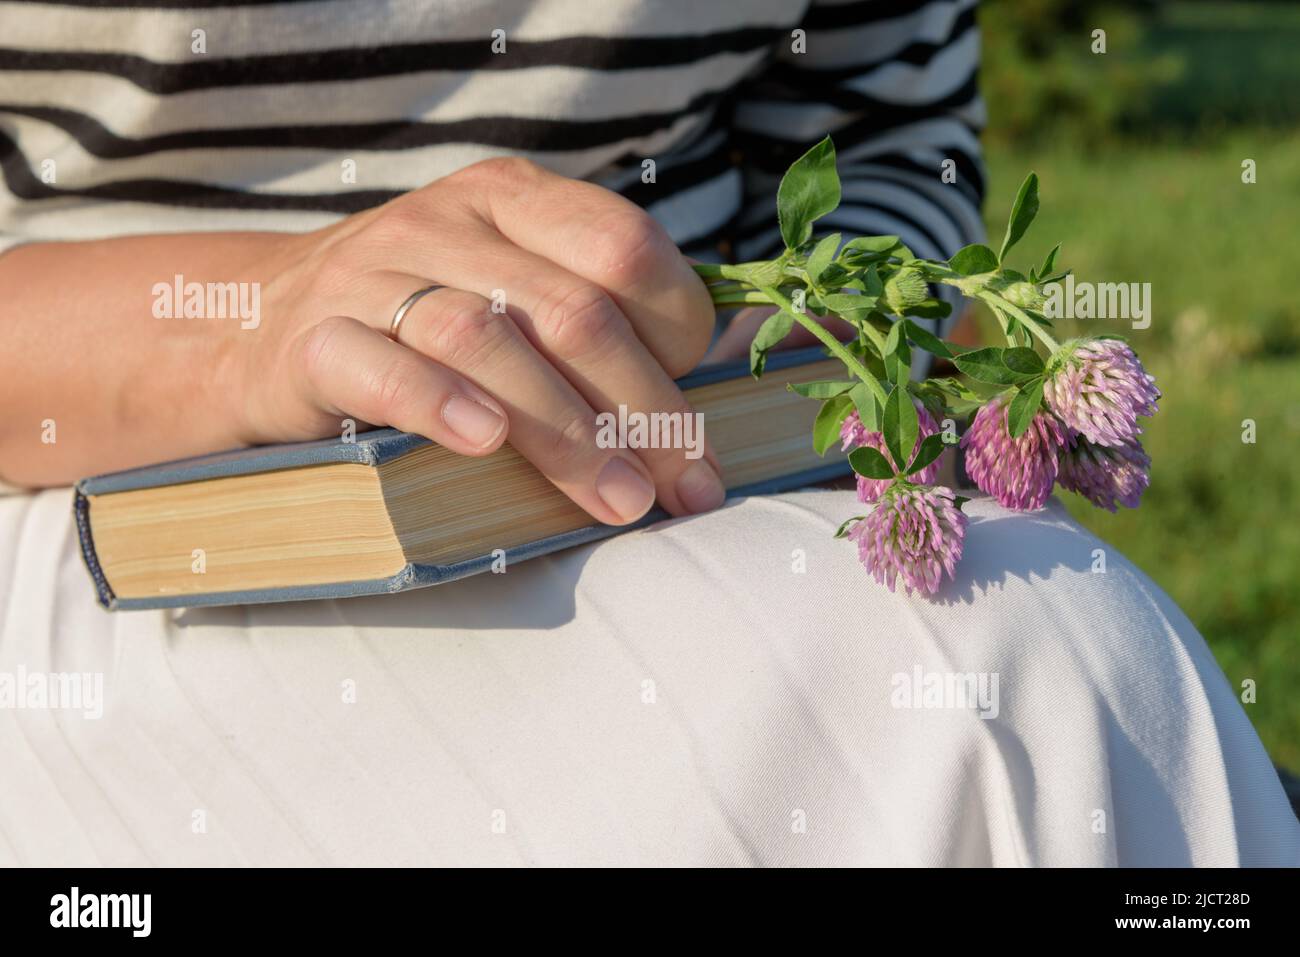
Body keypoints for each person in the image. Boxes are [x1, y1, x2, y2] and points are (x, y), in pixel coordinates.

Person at [0, 1, 1294, 866]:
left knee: (1041, 657)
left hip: (682, 454)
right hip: (115, 494)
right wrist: (242, 325)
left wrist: (814, 344)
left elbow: (889, 133)